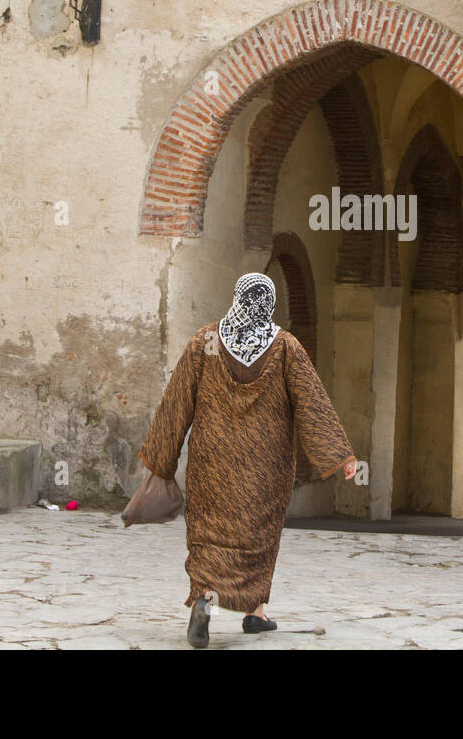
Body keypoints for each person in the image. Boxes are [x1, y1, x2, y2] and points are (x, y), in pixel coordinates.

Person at [137, 272, 357, 648]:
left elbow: (177, 403)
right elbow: (311, 403)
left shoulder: (205, 342)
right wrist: (339, 455)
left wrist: (162, 457)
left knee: (209, 534)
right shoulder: (285, 347)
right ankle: (255, 612)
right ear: (269, 304)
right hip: (264, 468)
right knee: (257, 537)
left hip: (212, 463)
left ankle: (205, 600)